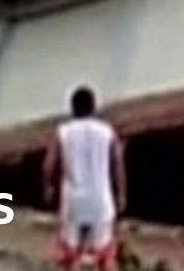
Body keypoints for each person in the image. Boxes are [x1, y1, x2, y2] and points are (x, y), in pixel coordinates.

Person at [44, 86, 126, 271]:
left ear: (72, 108)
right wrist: (121, 194)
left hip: (73, 202)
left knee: (71, 256)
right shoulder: (107, 132)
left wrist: (48, 187)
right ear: (94, 107)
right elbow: (117, 164)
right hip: (101, 201)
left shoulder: (63, 132)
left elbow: (48, 165)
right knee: (105, 255)